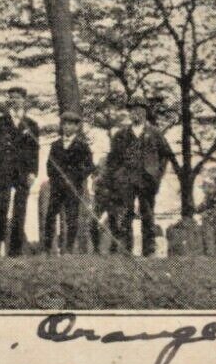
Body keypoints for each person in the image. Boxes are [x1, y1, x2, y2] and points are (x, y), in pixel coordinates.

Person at [106, 100, 175, 256]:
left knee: (148, 214)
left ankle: (149, 250)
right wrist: (117, 176)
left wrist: (157, 174)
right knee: (126, 213)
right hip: (126, 179)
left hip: (147, 179)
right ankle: (126, 249)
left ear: (145, 112)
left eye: (139, 109)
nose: (135, 113)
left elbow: (166, 155)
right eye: (132, 110)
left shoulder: (155, 133)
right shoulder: (121, 134)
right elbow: (112, 159)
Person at [0, 87, 39, 256]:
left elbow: (35, 151)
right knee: (0, 208)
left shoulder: (31, 125)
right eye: (12, 97)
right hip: (4, 172)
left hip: (23, 173)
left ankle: (15, 251)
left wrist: (33, 172)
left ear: (24, 100)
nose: (14, 100)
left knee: (20, 211)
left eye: (18, 97)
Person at [42, 112, 94, 254]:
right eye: (64, 124)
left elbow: (90, 166)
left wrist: (76, 176)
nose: (66, 127)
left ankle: (69, 249)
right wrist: (55, 178)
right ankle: (47, 249)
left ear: (76, 127)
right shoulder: (55, 145)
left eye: (70, 124)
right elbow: (49, 166)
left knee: (72, 218)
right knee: (50, 216)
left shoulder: (82, 146)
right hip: (57, 187)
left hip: (73, 188)